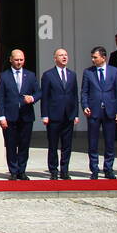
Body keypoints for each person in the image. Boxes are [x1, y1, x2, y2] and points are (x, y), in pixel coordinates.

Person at [0, 49, 40, 181]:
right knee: (10, 144)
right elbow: (0, 97)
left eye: (21, 60)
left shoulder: (30, 75)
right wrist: (1, 117)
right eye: (16, 59)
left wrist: (32, 98)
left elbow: (38, 92)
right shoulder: (4, 76)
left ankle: (22, 170)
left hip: (26, 116)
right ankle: (13, 171)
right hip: (10, 117)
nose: (19, 62)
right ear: (11, 60)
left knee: (24, 145)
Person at [81, 45, 117, 179]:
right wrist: (85, 105)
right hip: (93, 111)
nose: (93, 60)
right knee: (93, 142)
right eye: (92, 57)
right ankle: (94, 169)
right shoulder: (88, 72)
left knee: (110, 142)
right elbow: (84, 92)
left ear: (104, 58)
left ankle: (108, 168)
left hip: (110, 111)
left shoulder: (114, 71)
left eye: (95, 57)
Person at [40, 48, 80, 180]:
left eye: (66, 55)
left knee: (67, 145)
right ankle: (53, 170)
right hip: (53, 115)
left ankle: (65, 170)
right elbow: (45, 96)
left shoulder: (72, 74)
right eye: (61, 55)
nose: (64, 57)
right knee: (53, 145)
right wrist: (44, 115)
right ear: (55, 58)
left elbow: (74, 95)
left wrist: (76, 114)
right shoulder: (48, 75)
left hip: (68, 115)